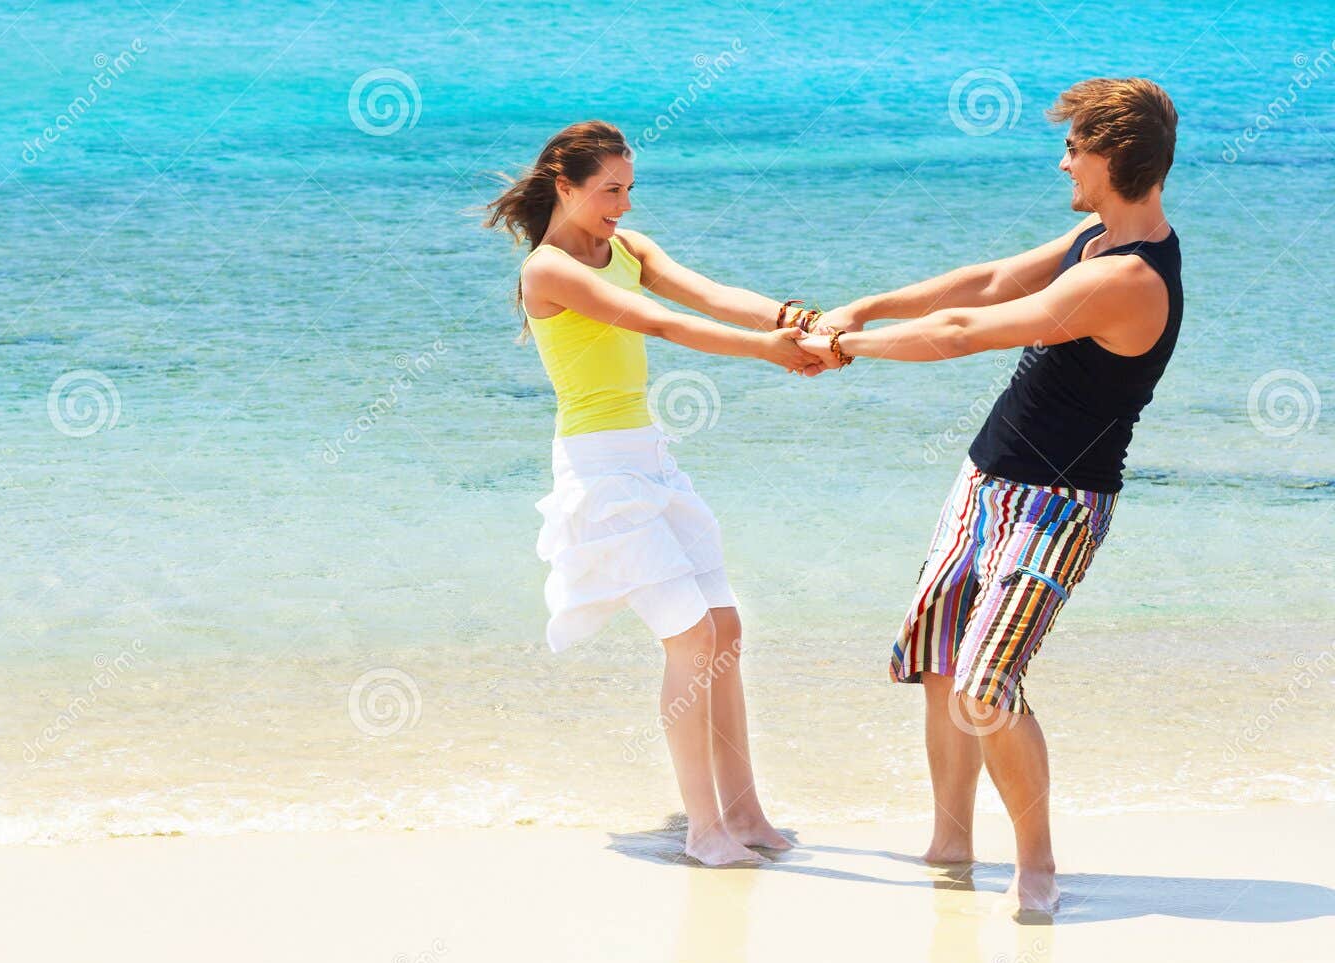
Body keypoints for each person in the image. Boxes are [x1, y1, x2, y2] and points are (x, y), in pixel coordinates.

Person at [801, 78, 1183, 911]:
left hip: (1058, 508)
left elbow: (965, 333)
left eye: (1074, 149)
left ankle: (1036, 865)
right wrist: (862, 308)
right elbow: (989, 283)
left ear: (1112, 156)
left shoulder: (1131, 277)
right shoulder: (1096, 238)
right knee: (944, 660)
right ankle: (951, 843)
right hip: (983, 482)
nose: (1063, 163)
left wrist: (848, 347)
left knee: (984, 685)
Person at [484, 120, 826, 866]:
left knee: (725, 629)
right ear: (565, 187)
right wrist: (770, 354)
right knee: (690, 636)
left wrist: (794, 322)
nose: (625, 205)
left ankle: (746, 814)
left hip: (652, 459)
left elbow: (708, 295)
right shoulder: (547, 271)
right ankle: (704, 829)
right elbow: (661, 323)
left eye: (630, 188)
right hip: (600, 471)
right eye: (611, 191)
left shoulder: (629, 249)